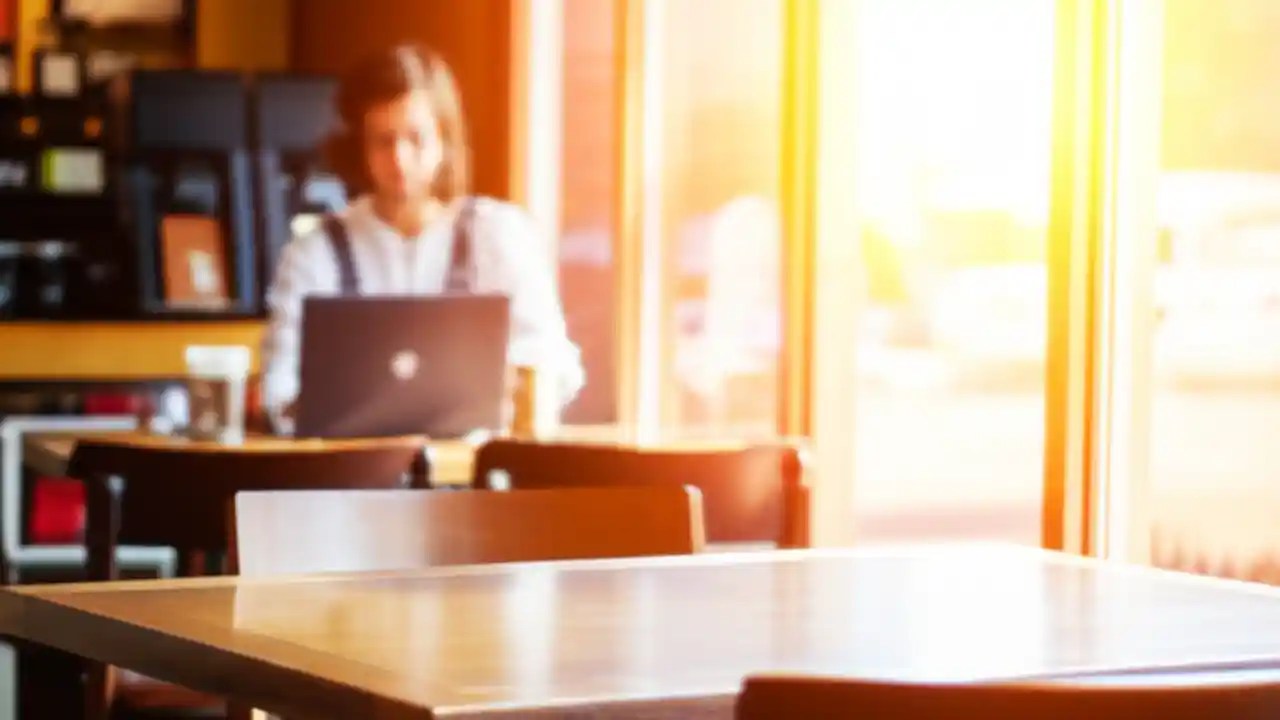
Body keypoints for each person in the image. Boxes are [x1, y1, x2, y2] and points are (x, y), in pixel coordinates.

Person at [259, 44, 583, 431]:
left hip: (475, 474)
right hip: (351, 477)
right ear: (359, 146)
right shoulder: (315, 252)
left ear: (445, 141)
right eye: (384, 140)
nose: (399, 158)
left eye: (416, 138)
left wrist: (511, 383)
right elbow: (279, 387)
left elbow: (555, 365)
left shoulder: (498, 235)